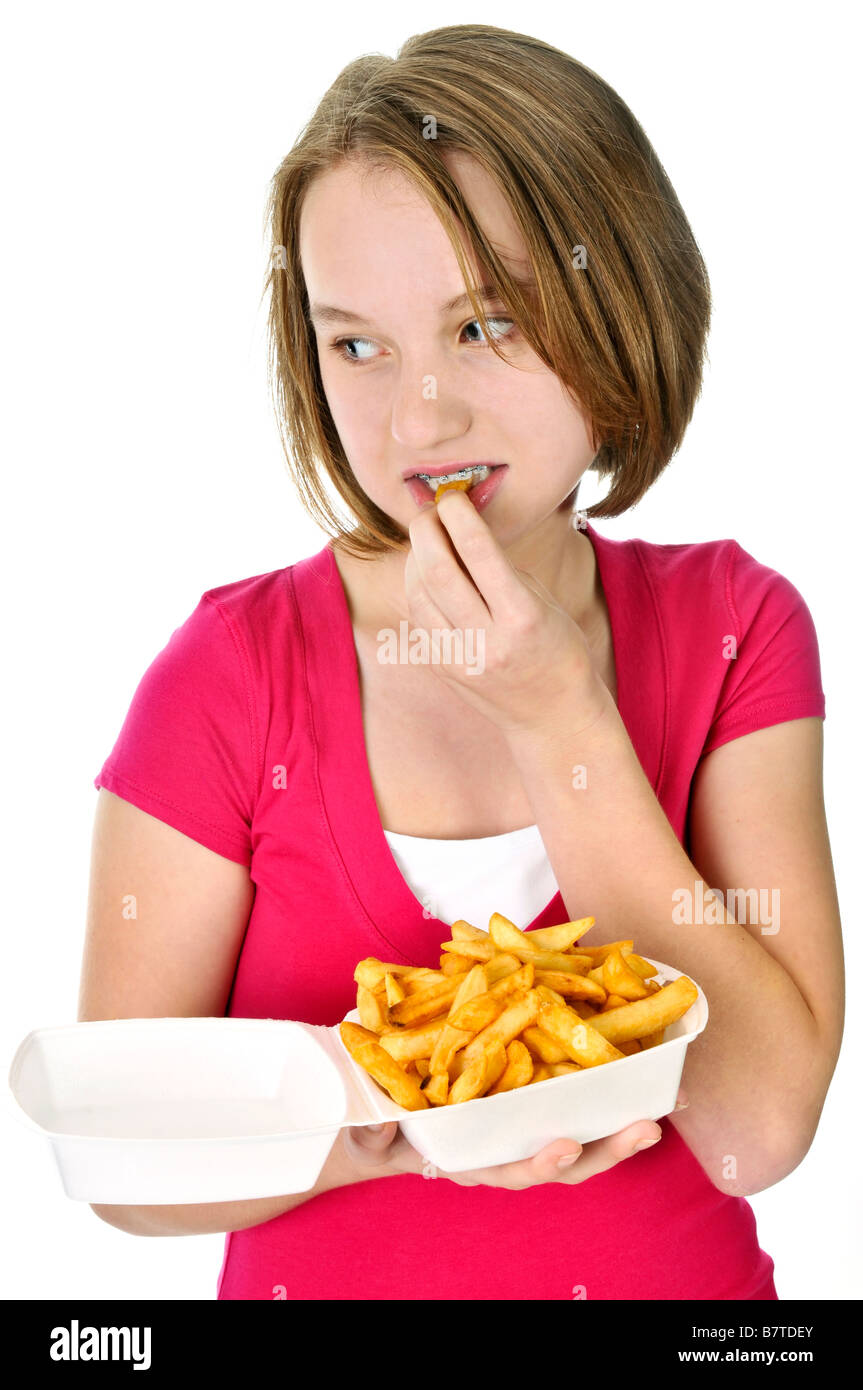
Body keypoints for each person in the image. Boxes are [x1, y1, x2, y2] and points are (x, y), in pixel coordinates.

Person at [79, 24, 844, 1300]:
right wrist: (397, 1128)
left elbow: (755, 1128)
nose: (420, 416)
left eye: (484, 324)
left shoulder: (735, 625)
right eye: (356, 345)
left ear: (620, 308)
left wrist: (560, 722)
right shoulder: (230, 672)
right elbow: (119, 1146)